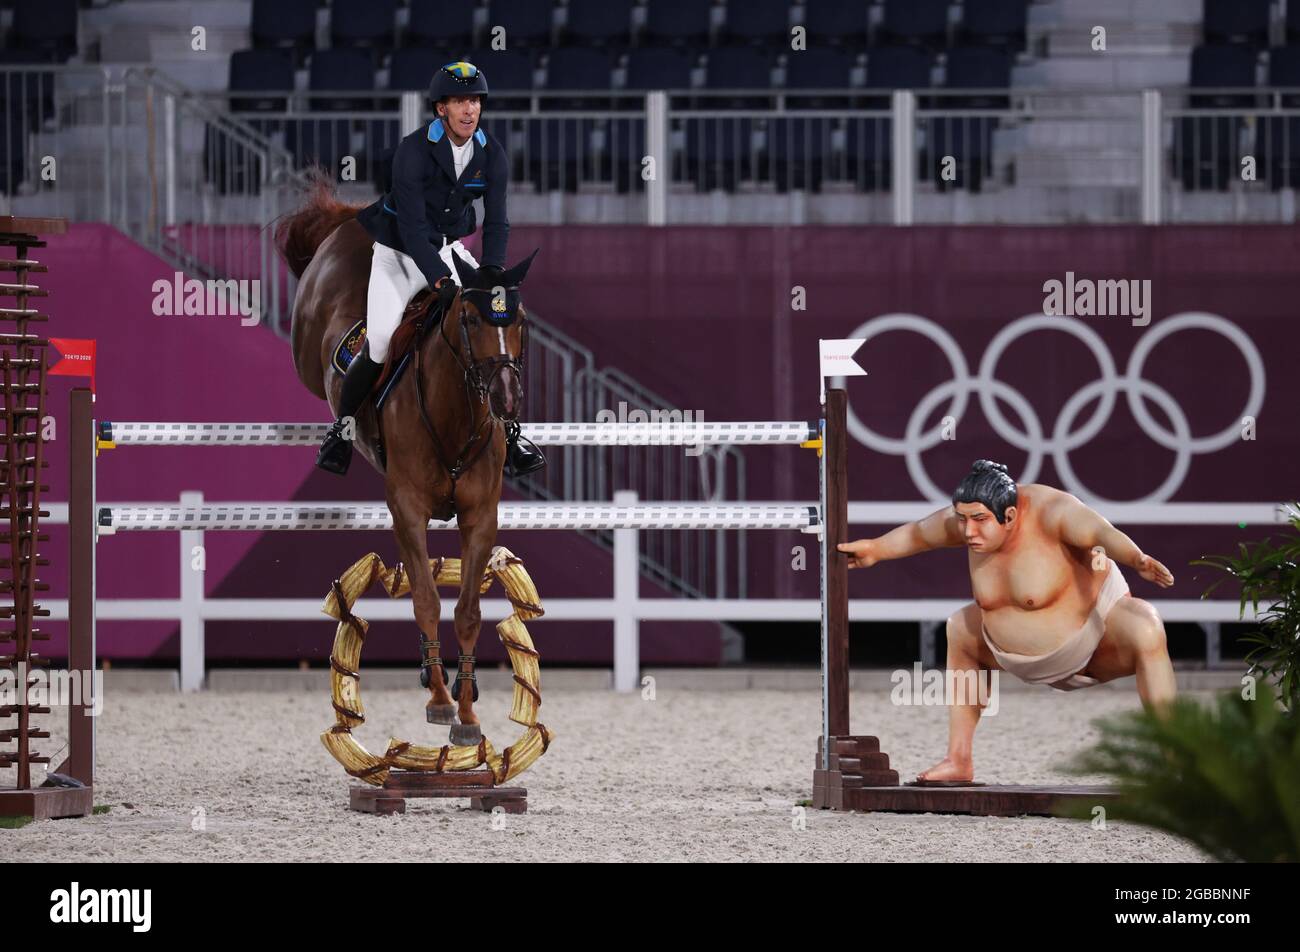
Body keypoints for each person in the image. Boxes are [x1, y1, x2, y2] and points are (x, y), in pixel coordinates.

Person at [837, 460, 1177, 783]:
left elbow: (1100, 532)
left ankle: (1175, 763)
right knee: (960, 627)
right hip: (1012, 656)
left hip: (1091, 647)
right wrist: (875, 549)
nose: (968, 531)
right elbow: (918, 535)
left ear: (1010, 516)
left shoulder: (1054, 512)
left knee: (1145, 625)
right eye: (962, 519)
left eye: (979, 520)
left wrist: (1137, 558)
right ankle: (959, 759)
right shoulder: (970, 521)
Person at [316, 60, 545, 477]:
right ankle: (342, 431)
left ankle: (510, 437)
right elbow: (411, 226)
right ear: (441, 108)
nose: (469, 109)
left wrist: (491, 272)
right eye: (460, 101)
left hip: (448, 248)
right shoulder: (413, 151)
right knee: (382, 340)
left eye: (475, 100)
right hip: (399, 255)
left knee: (490, 323)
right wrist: (438, 278)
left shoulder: (491, 154)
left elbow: (497, 220)